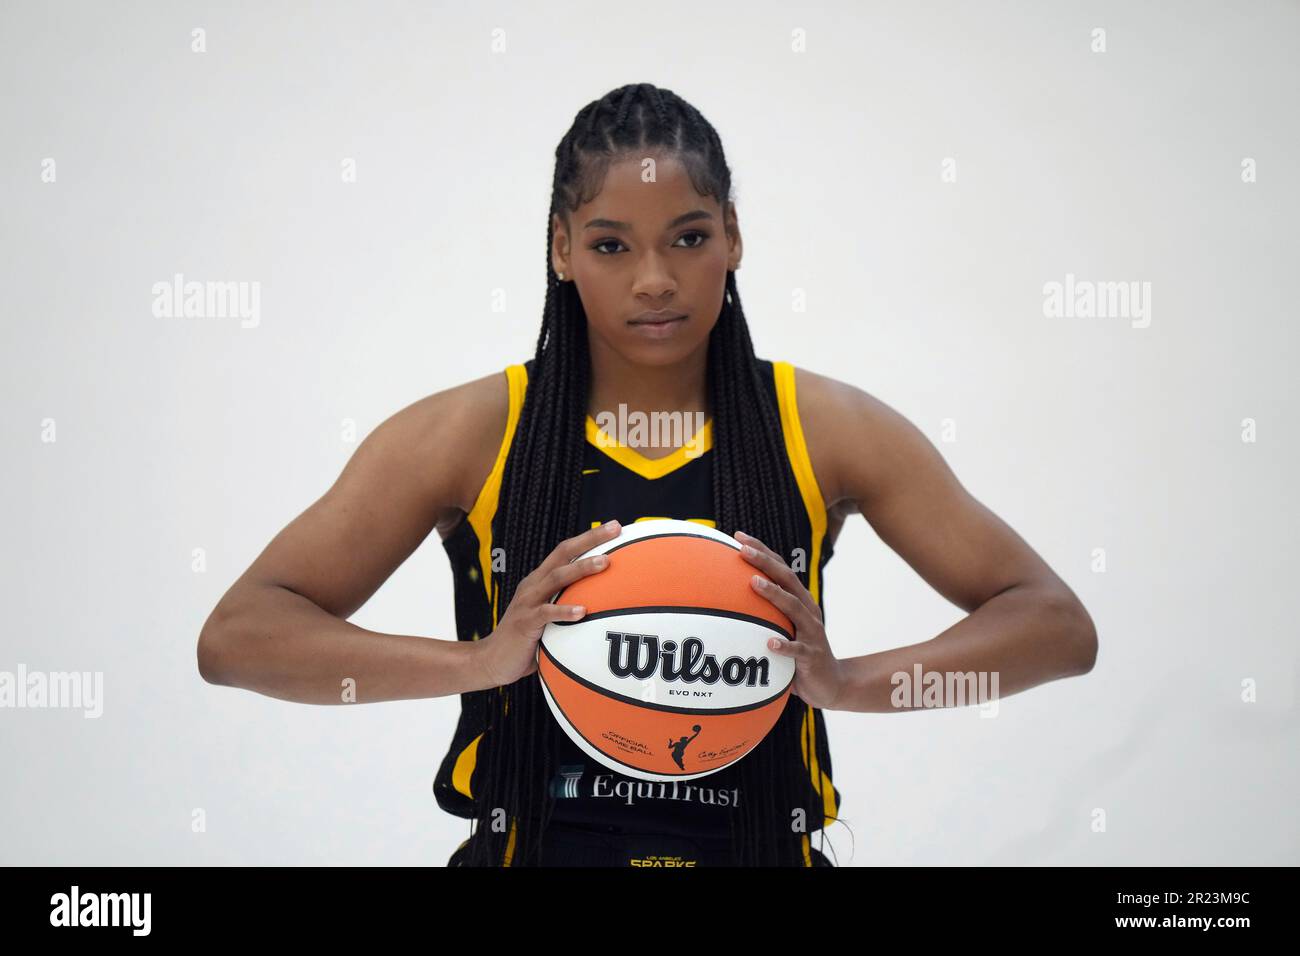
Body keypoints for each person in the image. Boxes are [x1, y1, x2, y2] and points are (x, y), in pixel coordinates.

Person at [197, 82, 1098, 868]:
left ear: (733, 238)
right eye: (612, 245)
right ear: (561, 249)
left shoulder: (825, 430)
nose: (656, 280)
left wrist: (848, 682)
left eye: (689, 236)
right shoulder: (468, 435)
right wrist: (481, 662)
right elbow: (238, 637)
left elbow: (1055, 626)